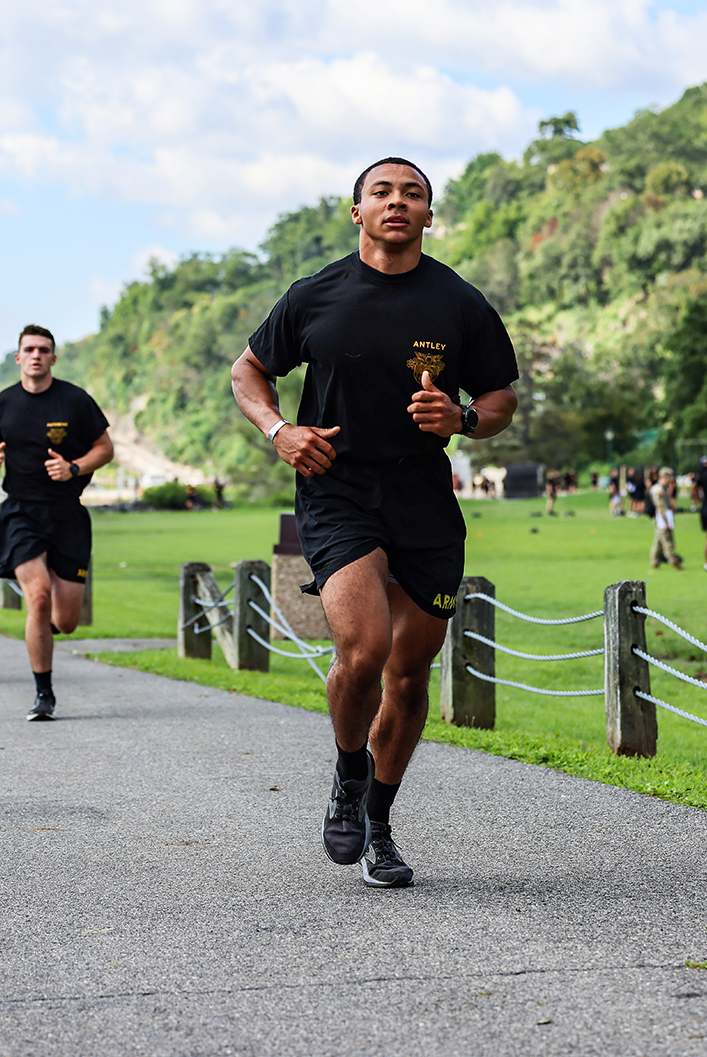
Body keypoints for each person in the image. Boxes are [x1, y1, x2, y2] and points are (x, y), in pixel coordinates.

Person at [231, 156, 519, 889]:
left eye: (412, 194)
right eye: (381, 192)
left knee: (410, 671)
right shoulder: (316, 295)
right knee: (363, 649)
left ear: (429, 215)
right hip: (337, 488)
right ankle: (347, 777)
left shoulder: (458, 303)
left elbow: (499, 398)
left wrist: (464, 418)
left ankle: (380, 827)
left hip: (423, 499)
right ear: (355, 211)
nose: (397, 201)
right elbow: (248, 373)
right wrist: (278, 433)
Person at [0, 326, 115, 721]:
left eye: (44, 350)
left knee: (66, 621)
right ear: (18, 357)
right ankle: (44, 694)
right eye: (29, 349)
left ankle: (41, 635)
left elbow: (105, 448)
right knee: (37, 597)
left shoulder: (75, 401)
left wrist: (73, 468)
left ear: (54, 358)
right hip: (20, 512)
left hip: (68, 512)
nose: (36, 355)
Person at [647, 466, 683, 570]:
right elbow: (661, 507)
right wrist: (666, 521)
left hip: (663, 518)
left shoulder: (663, 488)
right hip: (662, 518)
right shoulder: (658, 489)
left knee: (658, 540)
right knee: (668, 541)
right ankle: (674, 562)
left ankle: (654, 561)